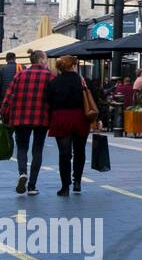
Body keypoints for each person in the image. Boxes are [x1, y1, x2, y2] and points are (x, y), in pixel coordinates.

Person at [2, 49, 51, 195]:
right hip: (41, 118)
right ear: (41, 59)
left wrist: (4, 115)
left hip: (20, 117)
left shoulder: (19, 75)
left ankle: (22, 173)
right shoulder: (50, 76)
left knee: (22, 147)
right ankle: (32, 186)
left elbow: (8, 96)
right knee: (37, 149)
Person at [45, 55, 92, 197]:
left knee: (64, 154)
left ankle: (65, 186)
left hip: (61, 118)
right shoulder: (81, 81)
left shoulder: (54, 82)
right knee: (80, 151)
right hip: (79, 117)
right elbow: (91, 98)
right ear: (73, 65)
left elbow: (48, 102)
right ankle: (77, 181)